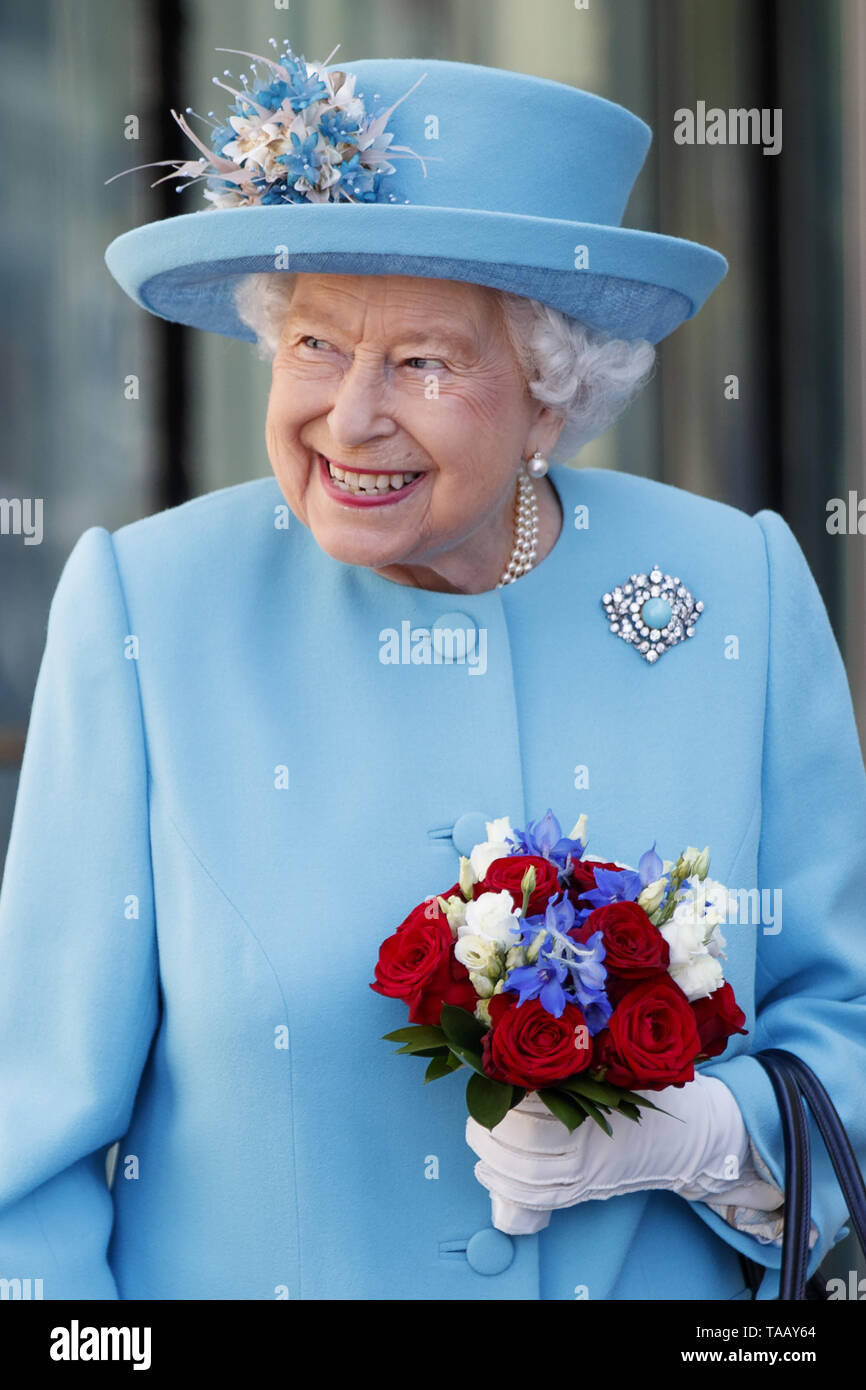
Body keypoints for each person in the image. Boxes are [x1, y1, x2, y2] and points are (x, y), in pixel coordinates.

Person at [1, 47, 864, 1301]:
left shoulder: (736, 591)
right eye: (312, 343)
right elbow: (31, 1151)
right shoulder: (151, 608)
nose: (349, 417)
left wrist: (717, 1134)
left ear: (549, 399)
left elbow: (843, 1012)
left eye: (423, 361)